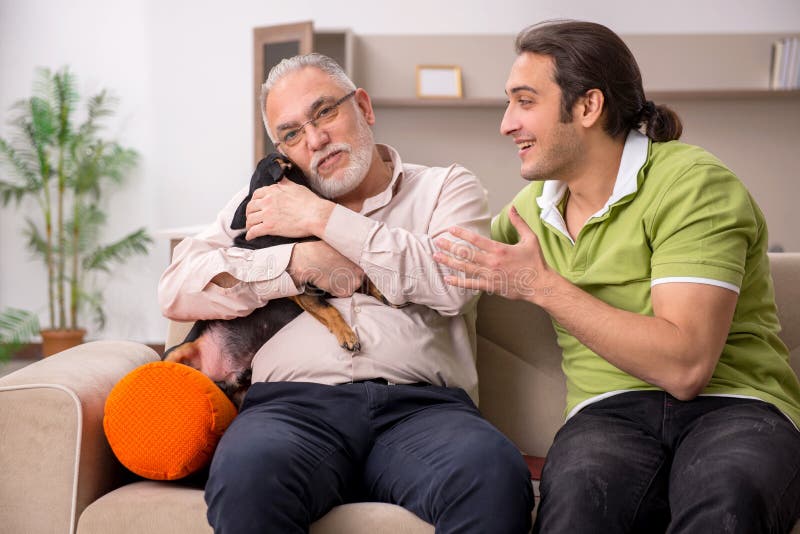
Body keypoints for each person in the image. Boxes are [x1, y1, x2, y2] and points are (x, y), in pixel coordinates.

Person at [434, 20, 800, 534]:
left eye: (524, 101)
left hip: (735, 406)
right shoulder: (531, 212)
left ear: (587, 107)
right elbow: (430, 261)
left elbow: (686, 367)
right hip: (609, 415)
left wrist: (541, 286)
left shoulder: (693, 185)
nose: (506, 123)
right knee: (578, 503)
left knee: (728, 495)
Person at [158, 53, 533, 533]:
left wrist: (320, 218)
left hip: (423, 412)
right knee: (248, 475)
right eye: (291, 133)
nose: (315, 139)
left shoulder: (445, 188)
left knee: (492, 474)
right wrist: (296, 264)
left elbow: (450, 284)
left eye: (325, 113)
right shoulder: (261, 205)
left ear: (364, 107)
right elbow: (176, 287)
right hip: (289, 410)